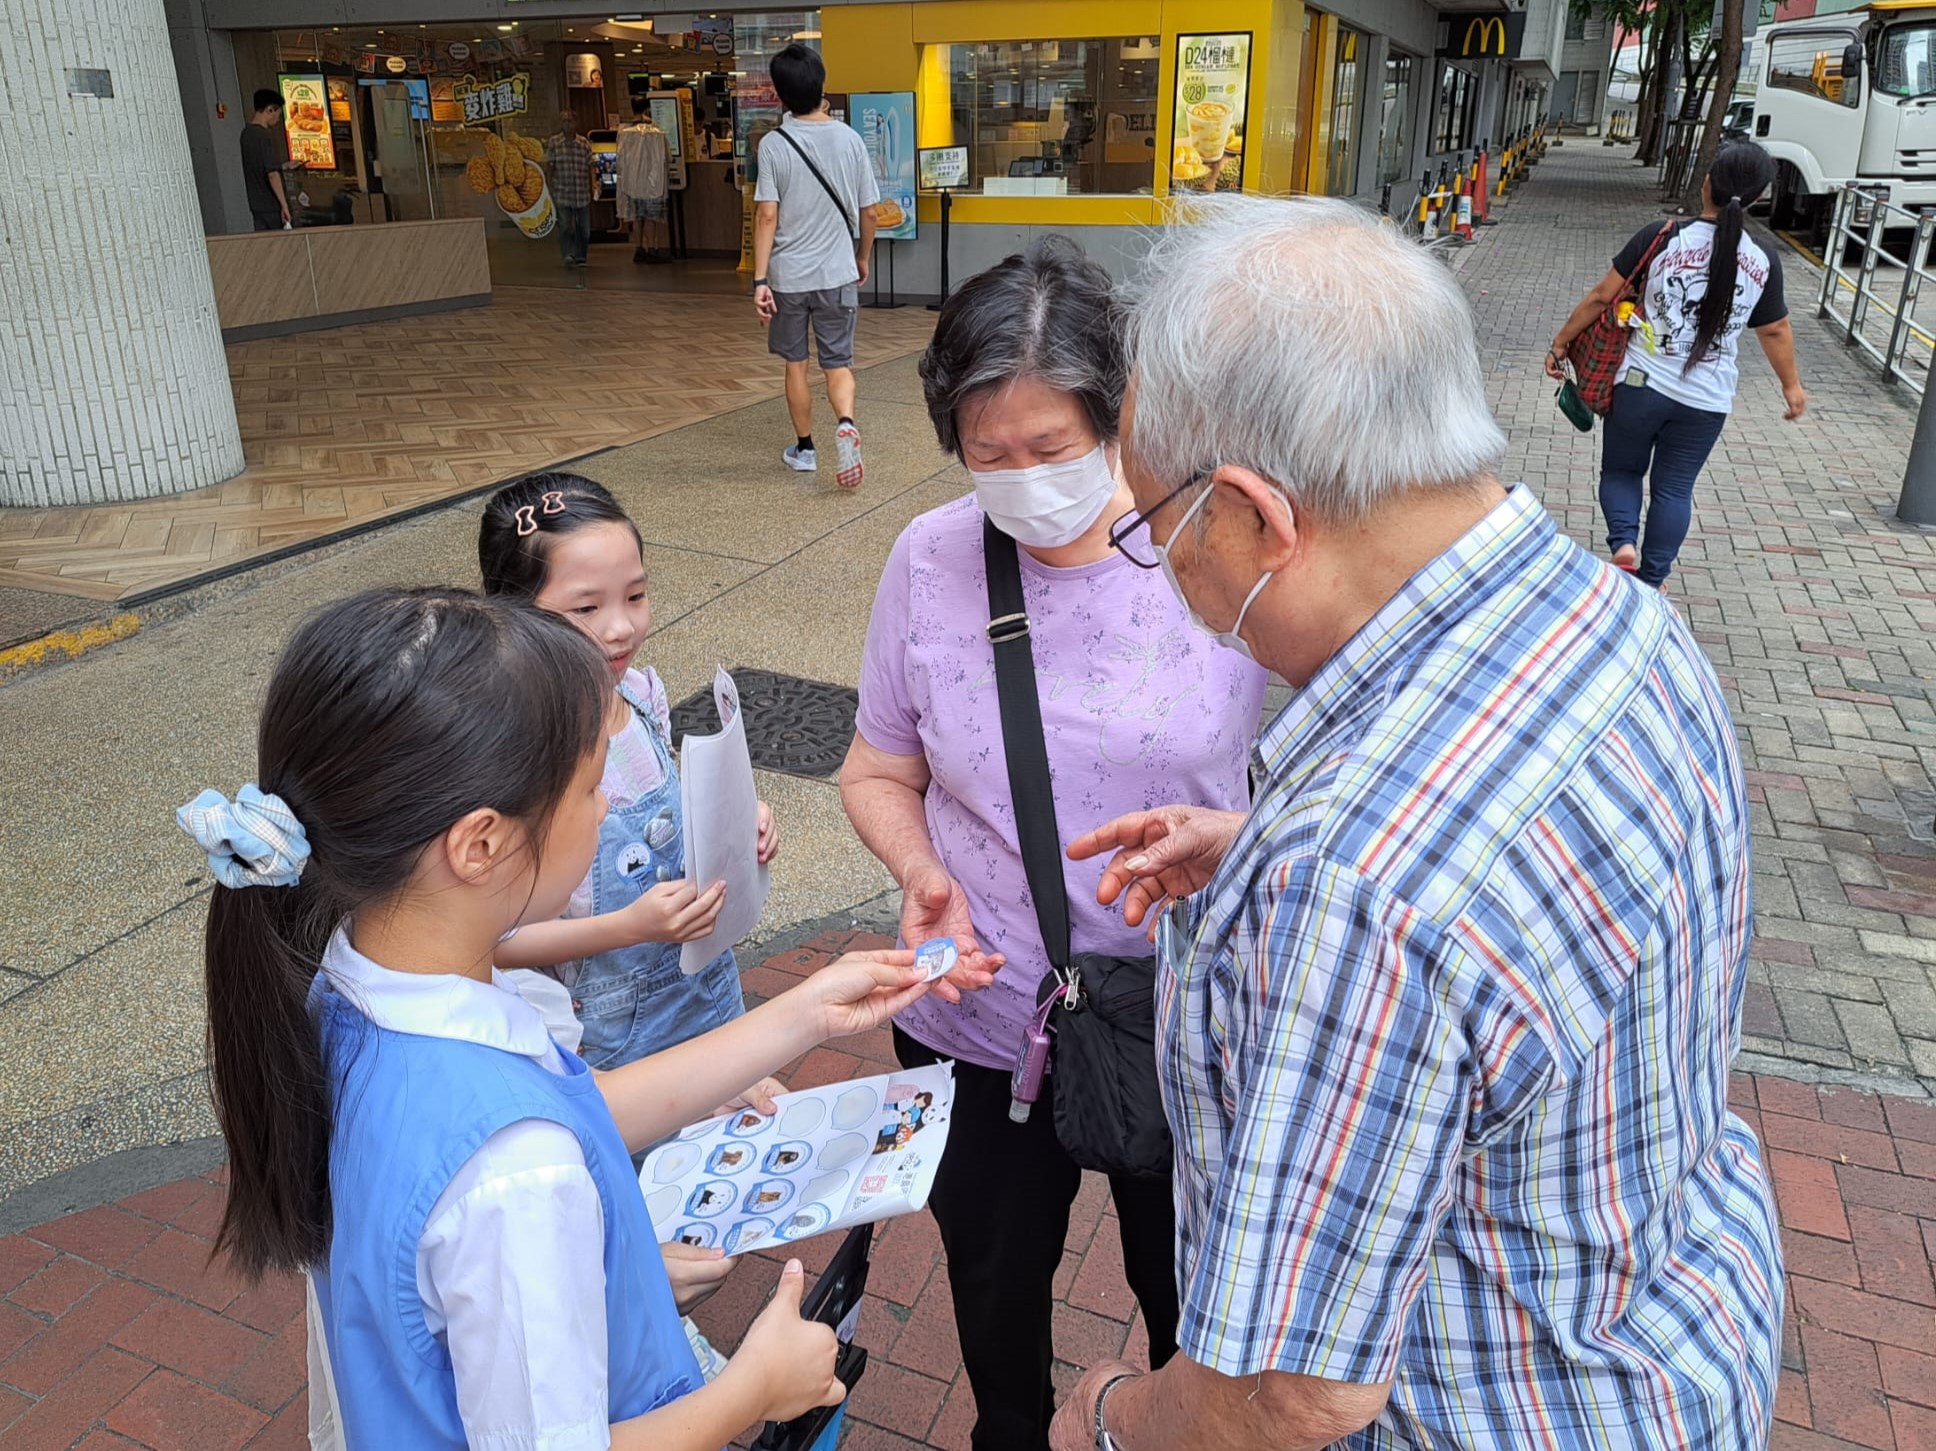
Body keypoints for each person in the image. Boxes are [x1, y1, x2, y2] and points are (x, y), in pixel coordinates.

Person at [1047, 195, 1780, 1451]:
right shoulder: (1616, 617)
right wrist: (1258, 853)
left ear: (1259, 517)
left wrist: (1109, 1419)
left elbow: (1291, 1390)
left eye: (1158, 529)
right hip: (1668, 1341)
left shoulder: (1360, 885)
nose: (1166, 573)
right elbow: (1517, 927)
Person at [178, 586, 936, 1448]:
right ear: (481, 842)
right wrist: (755, 1386)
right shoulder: (516, 1176)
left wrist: (801, 1012)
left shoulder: (356, 986)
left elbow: (574, 1108)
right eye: (586, 786)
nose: (606, 805)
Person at [840, 236, 1268, 1451]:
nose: (1022, 479)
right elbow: (877, 769)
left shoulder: (1217, 545)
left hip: (1180, 1013)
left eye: (1053, 448)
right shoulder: (929, 560)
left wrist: (1241, 837)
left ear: (1122, 417)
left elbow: (1338, 778)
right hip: (980, 1015)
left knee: (1195, 1304)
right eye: (989, 455)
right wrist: (921, 870)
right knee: (992, 1284)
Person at [480, 474, 779, 1075]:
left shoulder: (641, 695)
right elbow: (492, 941)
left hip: (708, 991)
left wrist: (735, 820)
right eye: (586, 607)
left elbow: (666, 817)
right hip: (607, 1032)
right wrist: (625, 927)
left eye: (635, 596)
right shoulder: (510, 751)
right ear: (513, 614)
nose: (621, 628)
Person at [1546, 141, 1806, 589]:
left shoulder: (1662, 236)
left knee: (1622, 471)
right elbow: (1776, 330)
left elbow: (1602, 297)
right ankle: (1653, 578)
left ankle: (1623, 545)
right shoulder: (1764, 260)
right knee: (1674, 489)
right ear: (1760, 198)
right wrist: (1792, 387)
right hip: (1707, 400)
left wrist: (1561, 343)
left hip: (1641, 384)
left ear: (1707, 185)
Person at [752, 44, 879, 489]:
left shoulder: (773, 145)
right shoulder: (850, 139)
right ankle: (845, 421)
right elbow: (870, 213)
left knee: (795, 364)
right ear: (821, 85)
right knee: (838, 363)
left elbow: (767, 215)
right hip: (837, 273)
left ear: (779, 95)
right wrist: (861, 256)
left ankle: (805, 449)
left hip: (788, 277)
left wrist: (760, 278)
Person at [617, 97, 672, 265]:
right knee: (651, 218)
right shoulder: (656, 131)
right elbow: (667, 156)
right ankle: (652, 249)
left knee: (636, 217)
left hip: (631, 184)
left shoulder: (624, 133)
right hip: (653, 182)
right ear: (648, 109)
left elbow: (620, 159)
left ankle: (638, 248)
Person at [545, 111, 594, 268]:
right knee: (565, 225)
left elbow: (590, 166)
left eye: (570, 121)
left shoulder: (584, 143)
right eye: (564, 121)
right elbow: (549, 166)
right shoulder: (554, 142)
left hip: (581, 192)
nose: (567, 124)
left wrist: (593, 185)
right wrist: (549, 186)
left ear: (576, 123)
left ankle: (581, 256)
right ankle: (568, 254)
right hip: (563, 192)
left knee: (584, 228)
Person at [240, 89, 289, 232]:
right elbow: (272, 173)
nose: (278, 119)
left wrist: (283, 166)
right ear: (270, 109)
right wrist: (284, 205)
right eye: (278, 114)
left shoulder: (246, 133)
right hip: (271, 204)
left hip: (256, 204)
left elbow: (257, 165)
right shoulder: (263, 135)